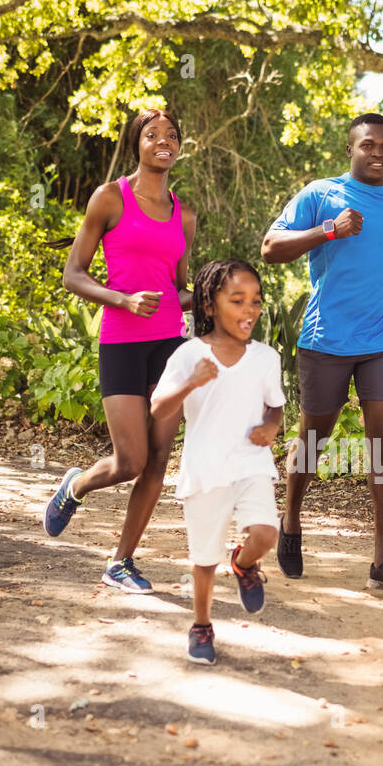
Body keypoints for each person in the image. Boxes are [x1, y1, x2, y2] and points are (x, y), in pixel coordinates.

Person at [261, 112, 383, 594]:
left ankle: (382, 559)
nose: (378, 152)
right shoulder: (321, 194)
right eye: (368, 145)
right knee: (314, 439)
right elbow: (270, 247)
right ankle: (292, 519)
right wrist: (328, 231)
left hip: (382, 339)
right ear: (351, 150)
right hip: (327, 339)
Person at [43, 109, 196, 592]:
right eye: (153, 135)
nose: (163, 141)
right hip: (122, 342)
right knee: (129, 460)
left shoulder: (184, 213)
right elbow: (73, 274)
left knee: (157, 461)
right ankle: (77, 485)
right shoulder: (110, 198)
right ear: (138, 144)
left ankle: (121, 562)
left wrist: (218, 294)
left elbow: (179, 288)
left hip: (170, 346)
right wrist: (123, 298)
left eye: (171, 136)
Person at [150, 258, 285, 665]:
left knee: (266, 533)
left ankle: (244, 565)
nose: (250, 310)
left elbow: (275, 407)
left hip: (251, 462)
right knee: (204, 558)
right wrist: (191, 382)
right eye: (238, 300)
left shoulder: (265, 357)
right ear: (209, 305)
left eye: (256, 302)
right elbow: (158, 408)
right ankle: (202, 624)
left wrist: (272, 427)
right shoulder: (188, 354)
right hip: (206, 468)